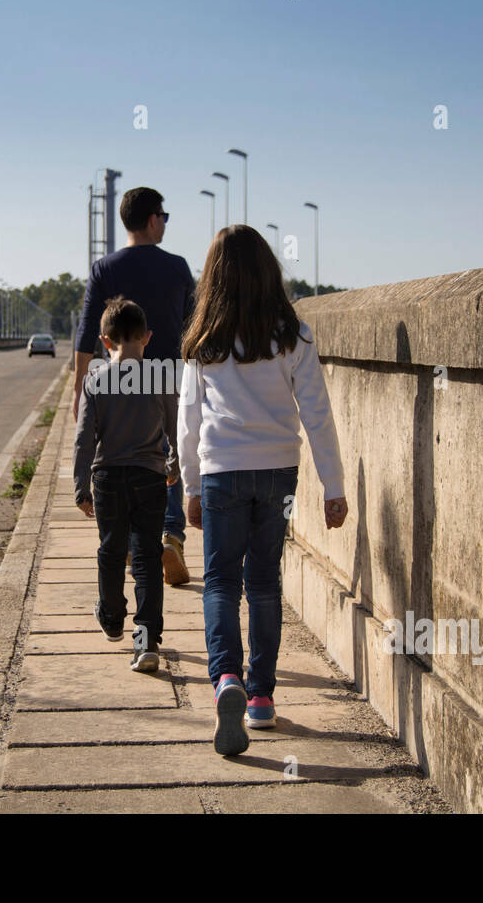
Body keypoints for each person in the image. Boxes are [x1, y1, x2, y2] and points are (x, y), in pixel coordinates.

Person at [178, 225, 349, 756]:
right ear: (268, 272)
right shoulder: (292, 334)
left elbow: (188, 419)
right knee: (266, 582)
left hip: (221, 472)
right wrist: (334, 485)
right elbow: (316, 411)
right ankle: (261, 698)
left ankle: (225, 677)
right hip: (278, 473)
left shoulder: (203, 341)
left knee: (221, 583)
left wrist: (188, 486)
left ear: (215, 279)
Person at [73, 187, 195, 586]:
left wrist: (79, 388)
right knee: (169, 457)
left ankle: (125, 541)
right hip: (168, 377)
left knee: (120, 455)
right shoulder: (177, 267)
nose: (164, 223)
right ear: (151, 219)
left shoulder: (104, 269)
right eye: (164, 216)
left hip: (118, 380)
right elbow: (197, 329)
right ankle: (170, 534)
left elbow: (87, 330)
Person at [73, 296, 179, 672]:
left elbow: (85, 437)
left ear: (105, 340)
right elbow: (174, 428)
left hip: (108, 478)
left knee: (111, 550)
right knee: (148, 556)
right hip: (150, 476)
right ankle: (146, 638)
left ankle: (113, 616)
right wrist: (174, 464)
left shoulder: (95, 380)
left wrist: (80, 486)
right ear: (147, 337)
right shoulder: (161, 377)